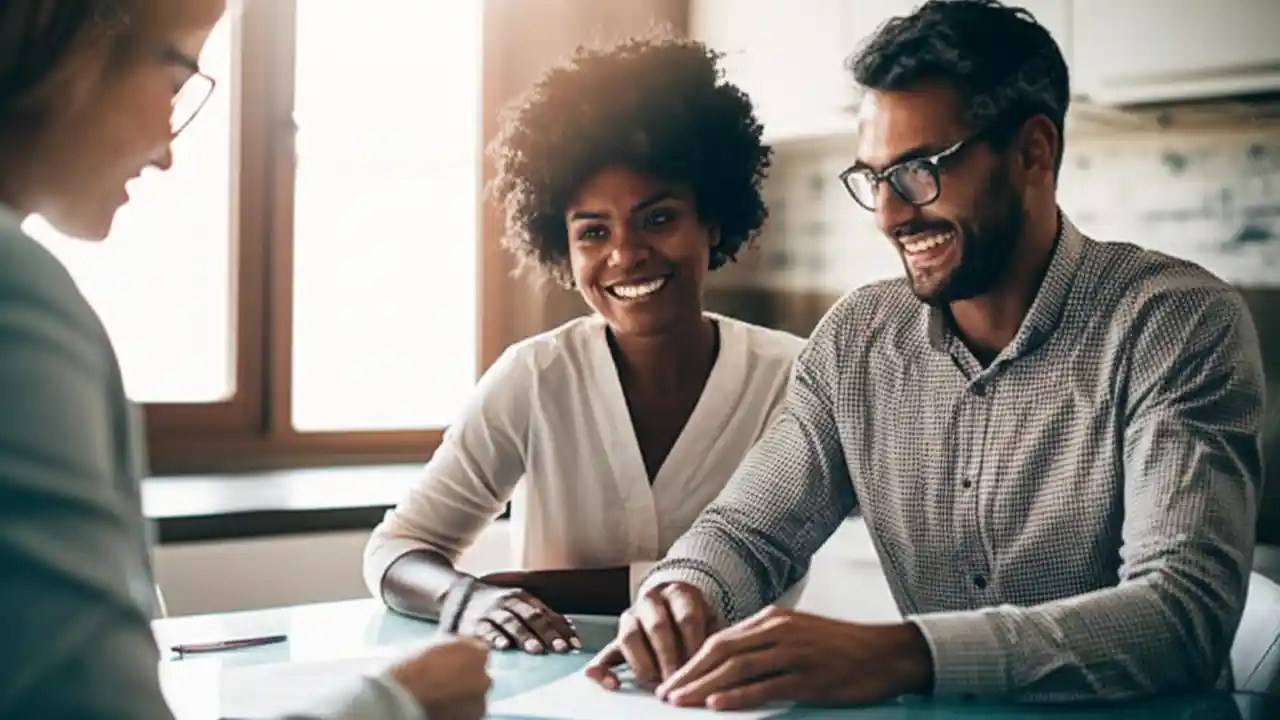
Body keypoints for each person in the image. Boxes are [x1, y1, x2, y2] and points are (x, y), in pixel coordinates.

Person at [585, 0, 1266, 710]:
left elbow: (1181, 616)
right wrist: (682, 589)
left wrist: (903, 653)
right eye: (873, 178)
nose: (888, 214)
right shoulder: (857, 339)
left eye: (917, 171)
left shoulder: (1174, 323)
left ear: (1035, 152)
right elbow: (749, 530)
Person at [0, 2, 488, 718]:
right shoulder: (19, 295)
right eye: (173, 83)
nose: (169, 149)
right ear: (70, 46)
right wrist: (394, 705)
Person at [363, 35, 803, 656]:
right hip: (555, 689)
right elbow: (395, 550)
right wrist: (470, 598)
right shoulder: (535, 376)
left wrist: (525, 586)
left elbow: (765, 574)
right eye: (593, 232)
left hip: (735, 695)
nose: (625, 254)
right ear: (563, 253)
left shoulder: (793, 377)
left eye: (658, 219)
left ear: (712, 222)